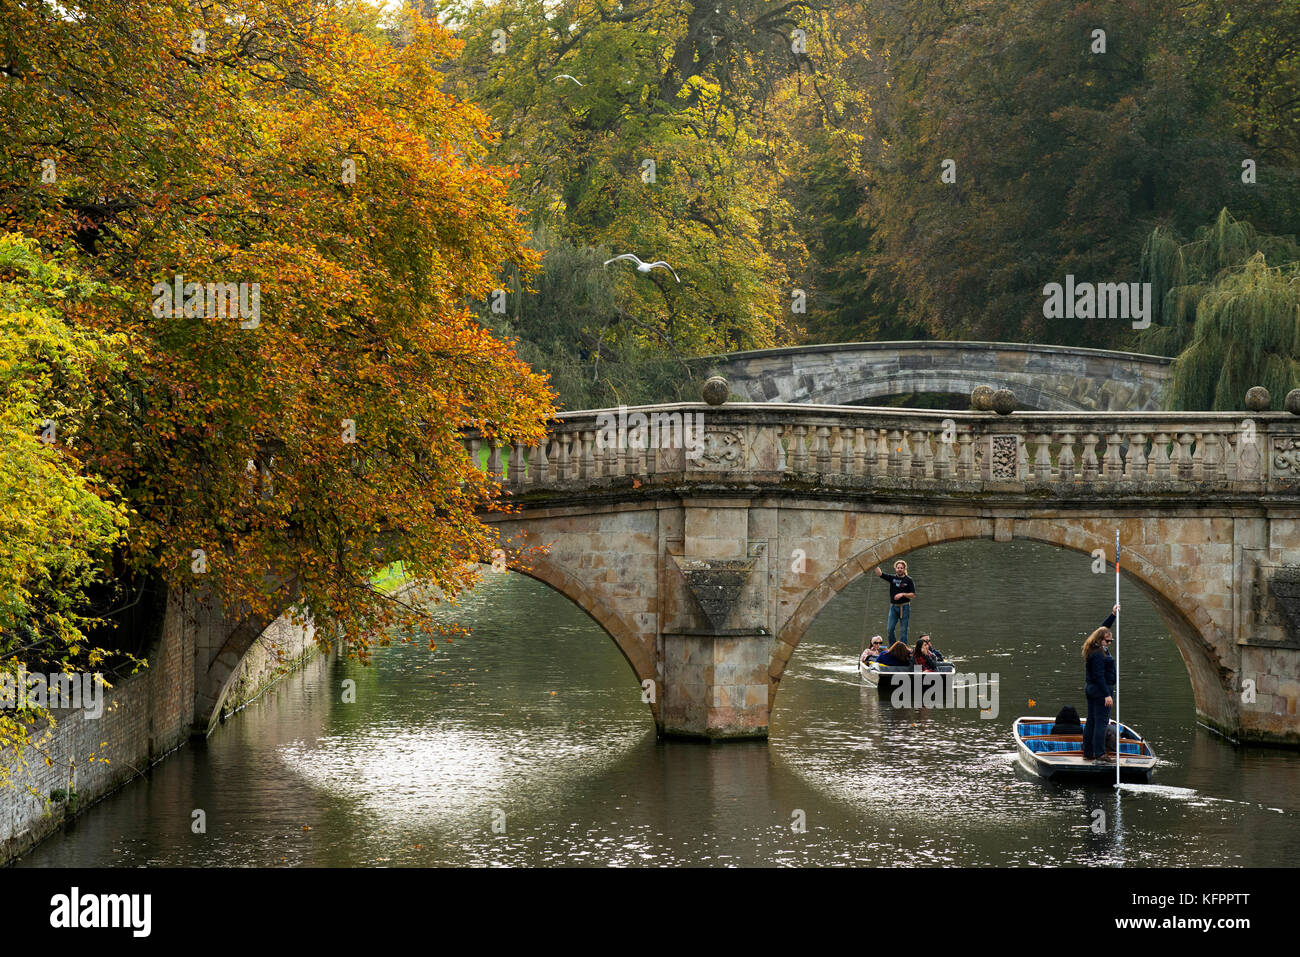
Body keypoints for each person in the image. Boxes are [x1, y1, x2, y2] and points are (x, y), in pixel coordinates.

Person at [1082, 603, 1121, 761]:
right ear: (1101, 640)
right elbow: (1099, 676)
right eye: (1108, 641)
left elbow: (1102, 629)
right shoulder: (1098, 654)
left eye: (1111, 641)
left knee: (1091, 720)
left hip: (1092, 689)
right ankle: (1099, 753)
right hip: (1100, 691)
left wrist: (1113, 615)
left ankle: (1088, 752)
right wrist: (1107, 695)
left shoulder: (1095, 645)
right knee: (1101, 722)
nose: (1109, 643)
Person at [874, 560, 917, 646]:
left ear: (904, 569)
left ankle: (903, 649)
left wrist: (902, 594)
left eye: (901, 568)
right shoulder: (892, 578)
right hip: (893, 607)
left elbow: (913, 595)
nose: (899, 569)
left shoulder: (908, 580)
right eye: (898, 568)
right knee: (890, 629)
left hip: (905, 607)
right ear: (895, 569)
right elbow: (880, 574)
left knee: (903, 631)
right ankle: (893, 648)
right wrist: (874, 564)